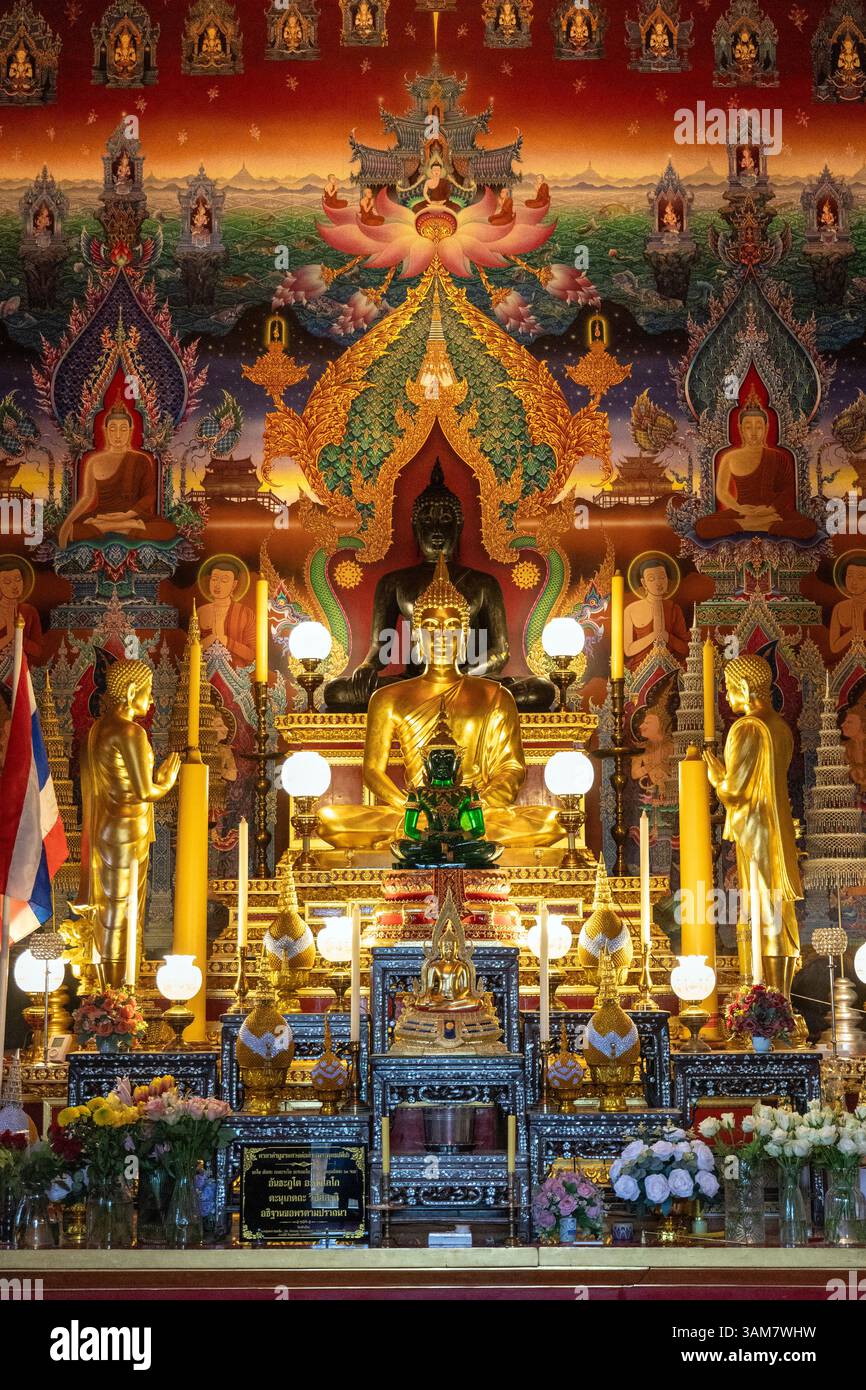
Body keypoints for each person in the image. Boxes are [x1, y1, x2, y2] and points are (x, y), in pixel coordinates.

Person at [75, 660, 181, 987]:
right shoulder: (130, 731)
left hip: (109, 826)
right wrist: (168, 779)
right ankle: (115, 994)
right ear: (132, 691)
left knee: (117, 910)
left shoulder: (98, 729)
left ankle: (114, 988)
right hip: (126, 831)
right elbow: (145, 790)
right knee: (120, 912)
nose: (151, 703)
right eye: (148, 694)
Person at [704, 654, 803, 997]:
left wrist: (716, 777)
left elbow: (734, 790)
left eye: (729, 690)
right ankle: (781, 999)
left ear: (745, 688)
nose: (728, 698)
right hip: (780, 830)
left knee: (765, 906)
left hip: (757, 830)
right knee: (778, 906)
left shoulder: (746, 727)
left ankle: (771, 1000)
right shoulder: (780, 727)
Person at [695, 388, 817, 541]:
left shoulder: (777, 457)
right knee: (702, 526)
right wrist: (739, 508)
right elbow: (722, 492)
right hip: (742, 510)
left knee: (809, 527)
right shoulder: (730, 457)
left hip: (772, 511)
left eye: (759, 426)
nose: (753, 432)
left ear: (766, 428)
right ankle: (758, 525)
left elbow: (788, 489)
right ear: (740, 429)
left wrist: (770, 509)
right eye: (748, 426)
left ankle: (755, 524)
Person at [58, 401, 177, 548]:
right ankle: (123, 526)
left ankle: (110, 526)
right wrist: (67, 523)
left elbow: (149, 496)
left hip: (132, 515)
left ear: (131, 430)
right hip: (103, 514)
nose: (118, 435)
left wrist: (127, 516)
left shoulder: (140, 459)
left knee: (168, 529)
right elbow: (87, 497)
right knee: (63, 529)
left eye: (123, 429)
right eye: (113, 429)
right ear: (106, 430)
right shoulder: (95, 461)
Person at [623, 555, 689, 661]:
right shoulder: (631, 610)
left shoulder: (673, 609)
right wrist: (654, 635)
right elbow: (628, 650)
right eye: (651, 579)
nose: (658, 582)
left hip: (669, 665)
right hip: (640, 667)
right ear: (644, 583)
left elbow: (685, 648)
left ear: (667, 579)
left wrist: (666, 636)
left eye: (662, 577)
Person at [197, 558, 256, 666]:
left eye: (224, 581)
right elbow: (190, 651)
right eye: (214, 579)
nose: (217, 585)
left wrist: (227, 641)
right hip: (204, 675)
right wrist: (210, 639)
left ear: (234, 585)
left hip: (235, 676)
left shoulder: (245, 613)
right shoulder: (200, 612)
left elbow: (252, 654)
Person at [0, 557, 42, 663]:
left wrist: (20, 639)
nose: (14, 586)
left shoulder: (28, 611)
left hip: (21, 669)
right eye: (7, 582)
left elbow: (38, 650)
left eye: (18, 579)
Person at [829, 554, 866, 655]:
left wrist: (861, 632)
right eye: (849, 576)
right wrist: (853, 632)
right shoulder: (839, 607)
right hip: (843, 665)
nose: (853, 582)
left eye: (861, 577)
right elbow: (834, 647)